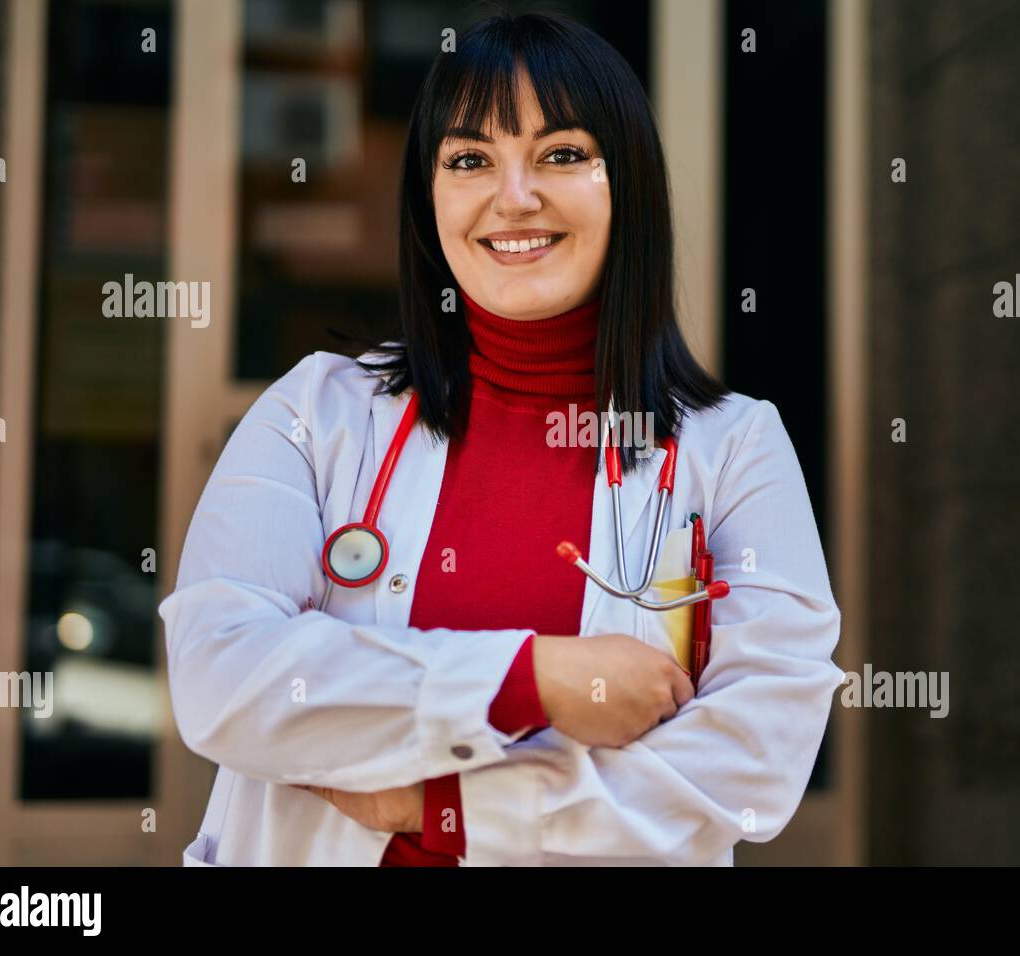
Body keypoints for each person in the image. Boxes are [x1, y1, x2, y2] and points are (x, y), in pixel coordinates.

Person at [160, 11, 842, 867]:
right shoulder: (317, 414)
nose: (512, 197)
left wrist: (443, 809)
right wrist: (534, 677)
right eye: (468, 160)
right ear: (429, 197)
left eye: (562, 154)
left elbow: (753, 761)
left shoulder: (734, 450)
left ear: (625, 184)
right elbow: (224, 677)